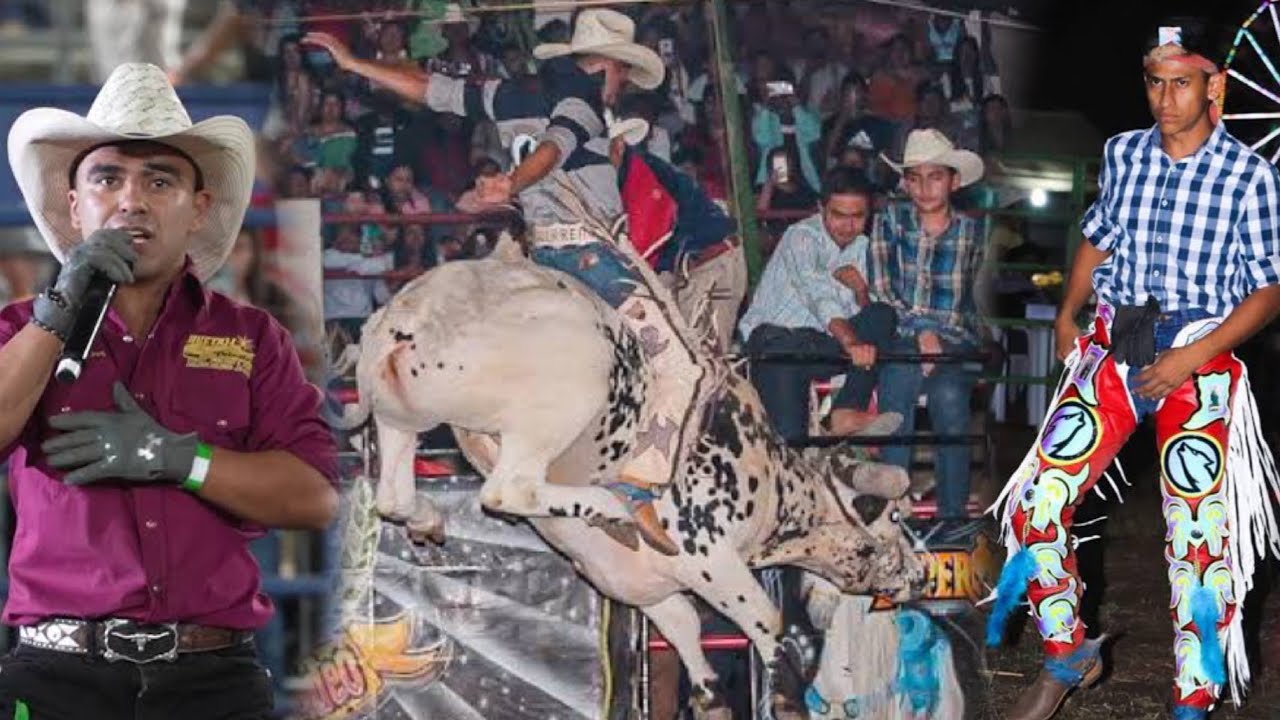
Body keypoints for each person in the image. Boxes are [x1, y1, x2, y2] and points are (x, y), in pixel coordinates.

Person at [0, 63, 338, 719]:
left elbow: (316, 495)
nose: (132, 200)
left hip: (212, 680)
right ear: (76, 206)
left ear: (198, 210)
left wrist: (179, 457)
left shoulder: (251, 337)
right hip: (55, 676)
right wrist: (58, 312)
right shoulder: (17, 329)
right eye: (107, 178)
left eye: (160, 180)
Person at [304, 9, 698, 556]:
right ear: (608, 67)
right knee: (683, 361)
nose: (621, 85)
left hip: (535, 250)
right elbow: (554, 148)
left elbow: (427, 88)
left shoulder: (510, 96)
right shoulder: (581, 97)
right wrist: (509, 183)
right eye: (622, 74)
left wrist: (354, 62)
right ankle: (638, 485)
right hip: (589, 254)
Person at [986, 20, 1280, 720]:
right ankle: (1067, 652)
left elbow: (1269, 290)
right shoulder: (1124, 154)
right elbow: (1099, 233)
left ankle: (1193, 699)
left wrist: (1191, 357)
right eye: (1155, 81)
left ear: (1216, 85)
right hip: (1115, 347)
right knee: (1037, 502)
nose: (1165, 97)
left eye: (1181, 82)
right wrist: (1067, 311)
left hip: (1200, 360)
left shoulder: (1252, 176)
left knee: (1199, 539)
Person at [869, 128, 986, 519]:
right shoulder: (889, 222)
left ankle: (952, 516)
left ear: (953, 181)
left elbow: (956, 303)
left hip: (955, 338)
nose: (924, 187)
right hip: (904, 334)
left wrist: (933, 338)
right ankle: (893, 507)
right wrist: (922, 332)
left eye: (935, 176)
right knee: (896, 386)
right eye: (915, 177)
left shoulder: (970, 232)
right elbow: (883, 289)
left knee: (949, 398)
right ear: (905, 182)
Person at [740, 167, 901, 444]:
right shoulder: (801, 236)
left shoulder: (863, 246)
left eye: (858, 216)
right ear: (820, 208)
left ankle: (846, 411)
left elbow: (866, 317)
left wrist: (862, 291)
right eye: (838, 215)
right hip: (778, 344)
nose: (847, 226)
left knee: (882, 315)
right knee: (792, 446)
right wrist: (851, 343)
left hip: (823, 346)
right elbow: (819, 296)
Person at [608, 119, 746, 354]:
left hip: (709, 266)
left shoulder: (643, 175)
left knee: (702, 361)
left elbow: (644, 246)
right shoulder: (627, 175)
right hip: (688, 268)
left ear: (618, 144)